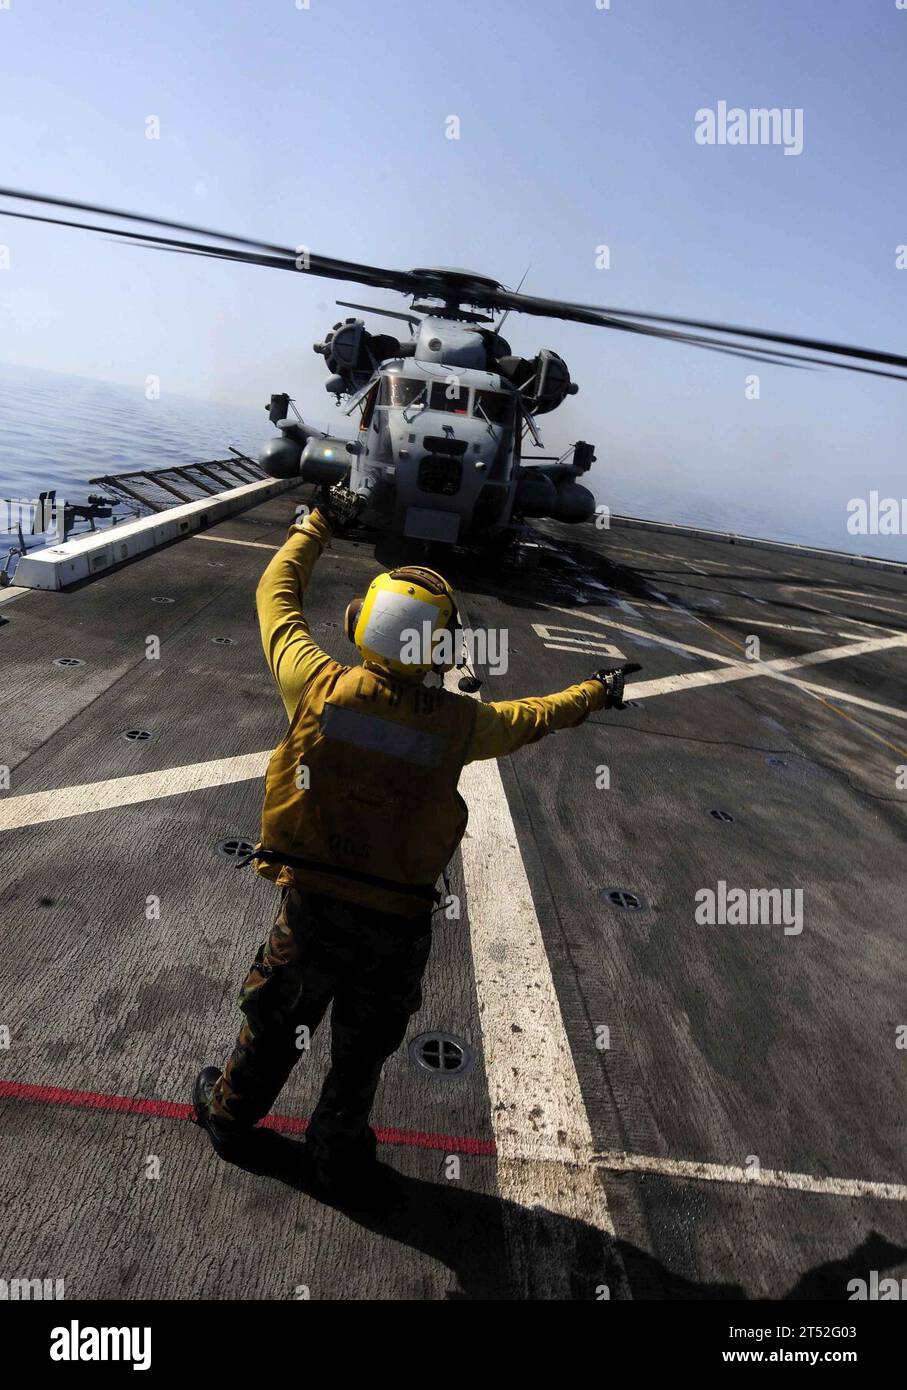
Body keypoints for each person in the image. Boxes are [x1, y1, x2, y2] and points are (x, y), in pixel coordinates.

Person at [192, 484, 638, 1189]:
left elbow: (275, 593)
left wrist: (318, 524)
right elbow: (535, 716)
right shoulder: (461, 725)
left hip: (310, 905)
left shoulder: (315, 683)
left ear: (359, 622)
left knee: (276, 1017)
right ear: (439, 648)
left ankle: (230, 1114)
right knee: (362, 1047)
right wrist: (595, 691)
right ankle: (335, 1150)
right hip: (395, 922)